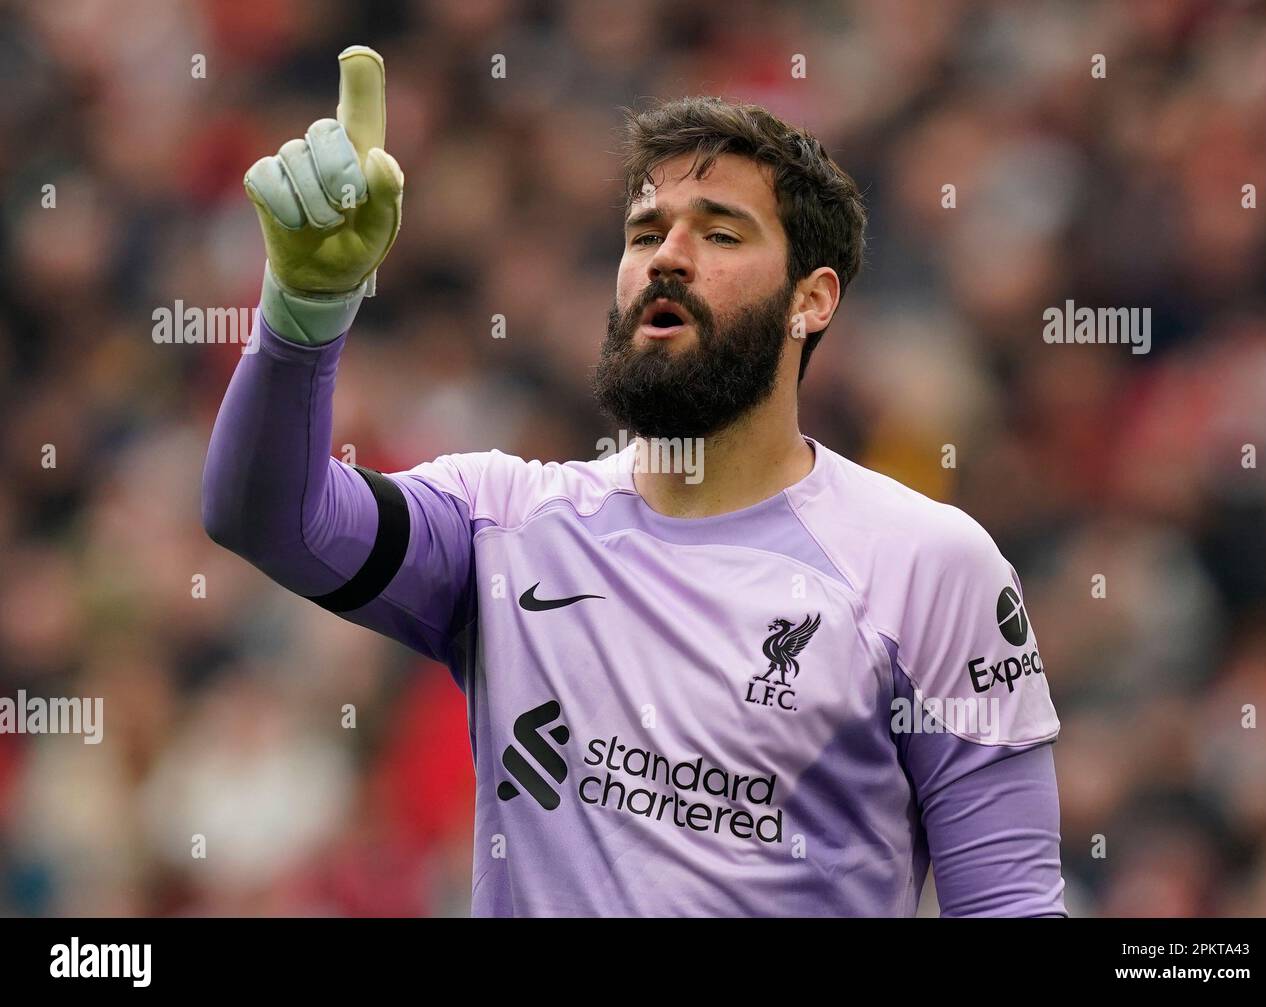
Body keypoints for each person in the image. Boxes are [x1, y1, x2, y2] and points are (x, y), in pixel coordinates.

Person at [203, 45, 1066, 917]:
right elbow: (270, 517)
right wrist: (302, 311)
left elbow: (1010, 907)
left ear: (813, 300)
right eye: (646, 233)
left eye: (721, 233)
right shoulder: (502, 522)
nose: (667, 257)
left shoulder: (929, 564)